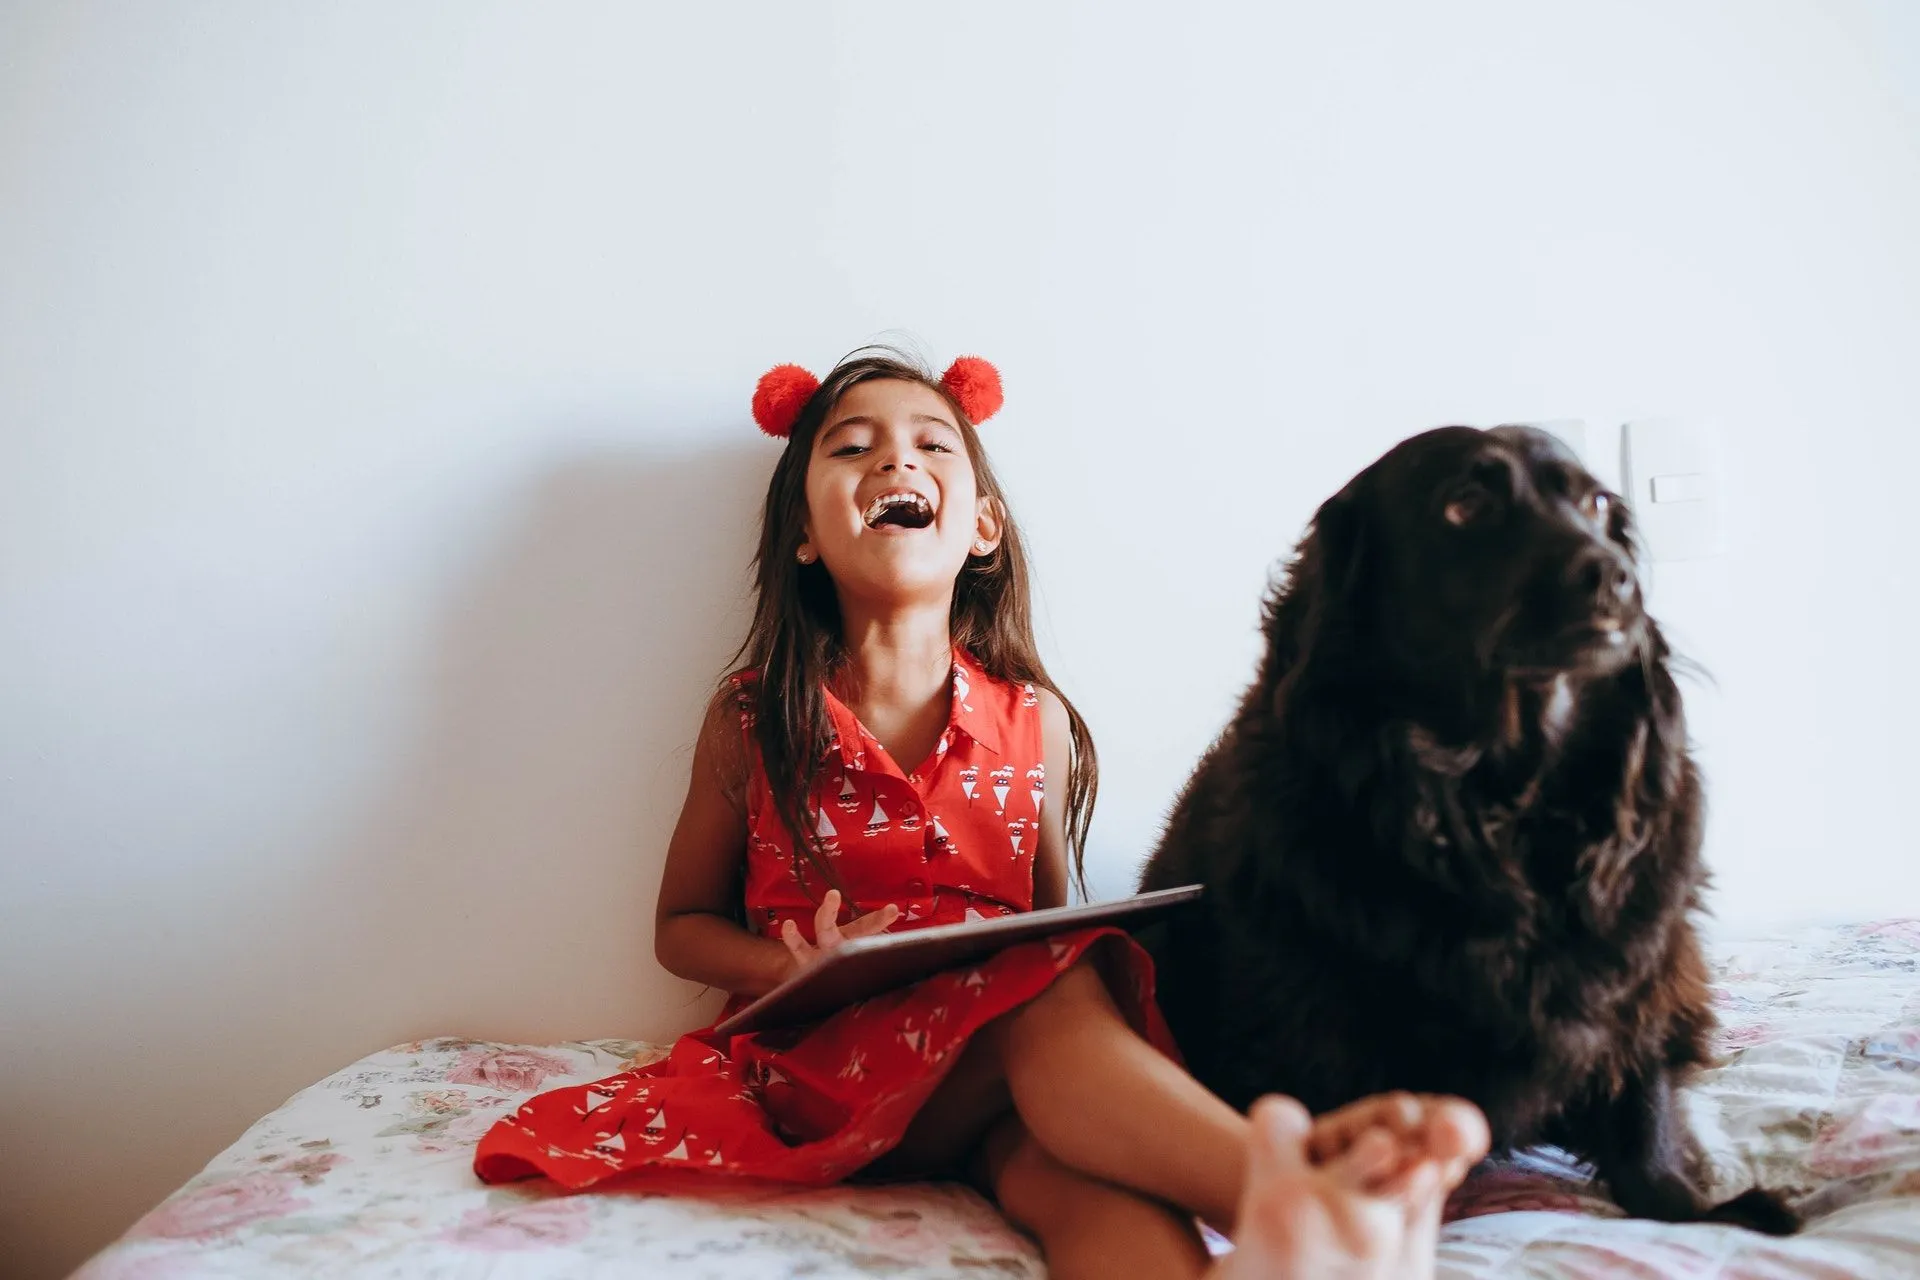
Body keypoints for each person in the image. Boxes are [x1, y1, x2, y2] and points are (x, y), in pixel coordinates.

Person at [474, 349, 1489, 1278]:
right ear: (802, 538)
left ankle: (1262, 1258)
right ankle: (1301, 1188)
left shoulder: (1031, 719)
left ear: (984, 526)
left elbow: (1048, 924)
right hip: (834, 1066)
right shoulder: (752, 719)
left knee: (1077, 1168)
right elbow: (678, 927)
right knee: (1037, 1002)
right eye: (852, 446)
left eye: (928, 443)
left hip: (994, 1077)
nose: (892, 462)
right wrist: (785, 964)